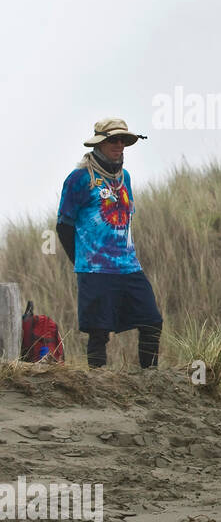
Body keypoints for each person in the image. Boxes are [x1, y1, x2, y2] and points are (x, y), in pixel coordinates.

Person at [56, 118, 164, 369]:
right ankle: (98, 384)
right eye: (113, 140)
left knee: (151, 320)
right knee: (98, 331)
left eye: (123, 140)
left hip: (128, 266)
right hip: (94, 269)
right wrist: (81, 261)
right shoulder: (79, 179)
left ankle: (151, 379)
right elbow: (63, 225)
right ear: (100, 143)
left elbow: (126, 220)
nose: (119, 145)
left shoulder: (124, 177)